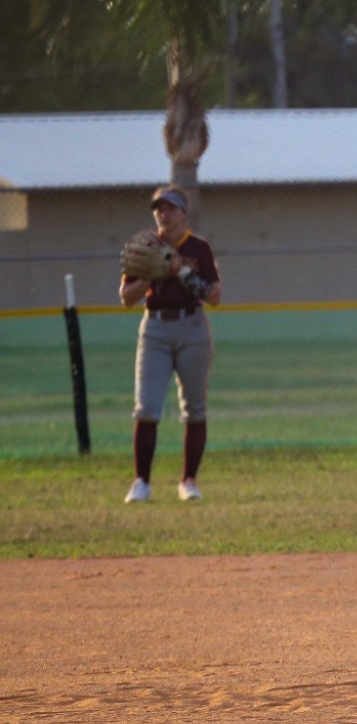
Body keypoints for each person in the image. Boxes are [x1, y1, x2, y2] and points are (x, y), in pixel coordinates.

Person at [118, 185, 222, 502]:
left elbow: (214, 296)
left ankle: (188, 481)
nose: (164, 213)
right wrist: (151, 273)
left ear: (183, 213)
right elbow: (125, 299)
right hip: (155, 328)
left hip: (192, 326)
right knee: (147, 407)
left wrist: (182, 270)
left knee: (194, 408)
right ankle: (141, 483)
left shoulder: (198, 247)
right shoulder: (143, 245)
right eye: (159, 208)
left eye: (171, 207)